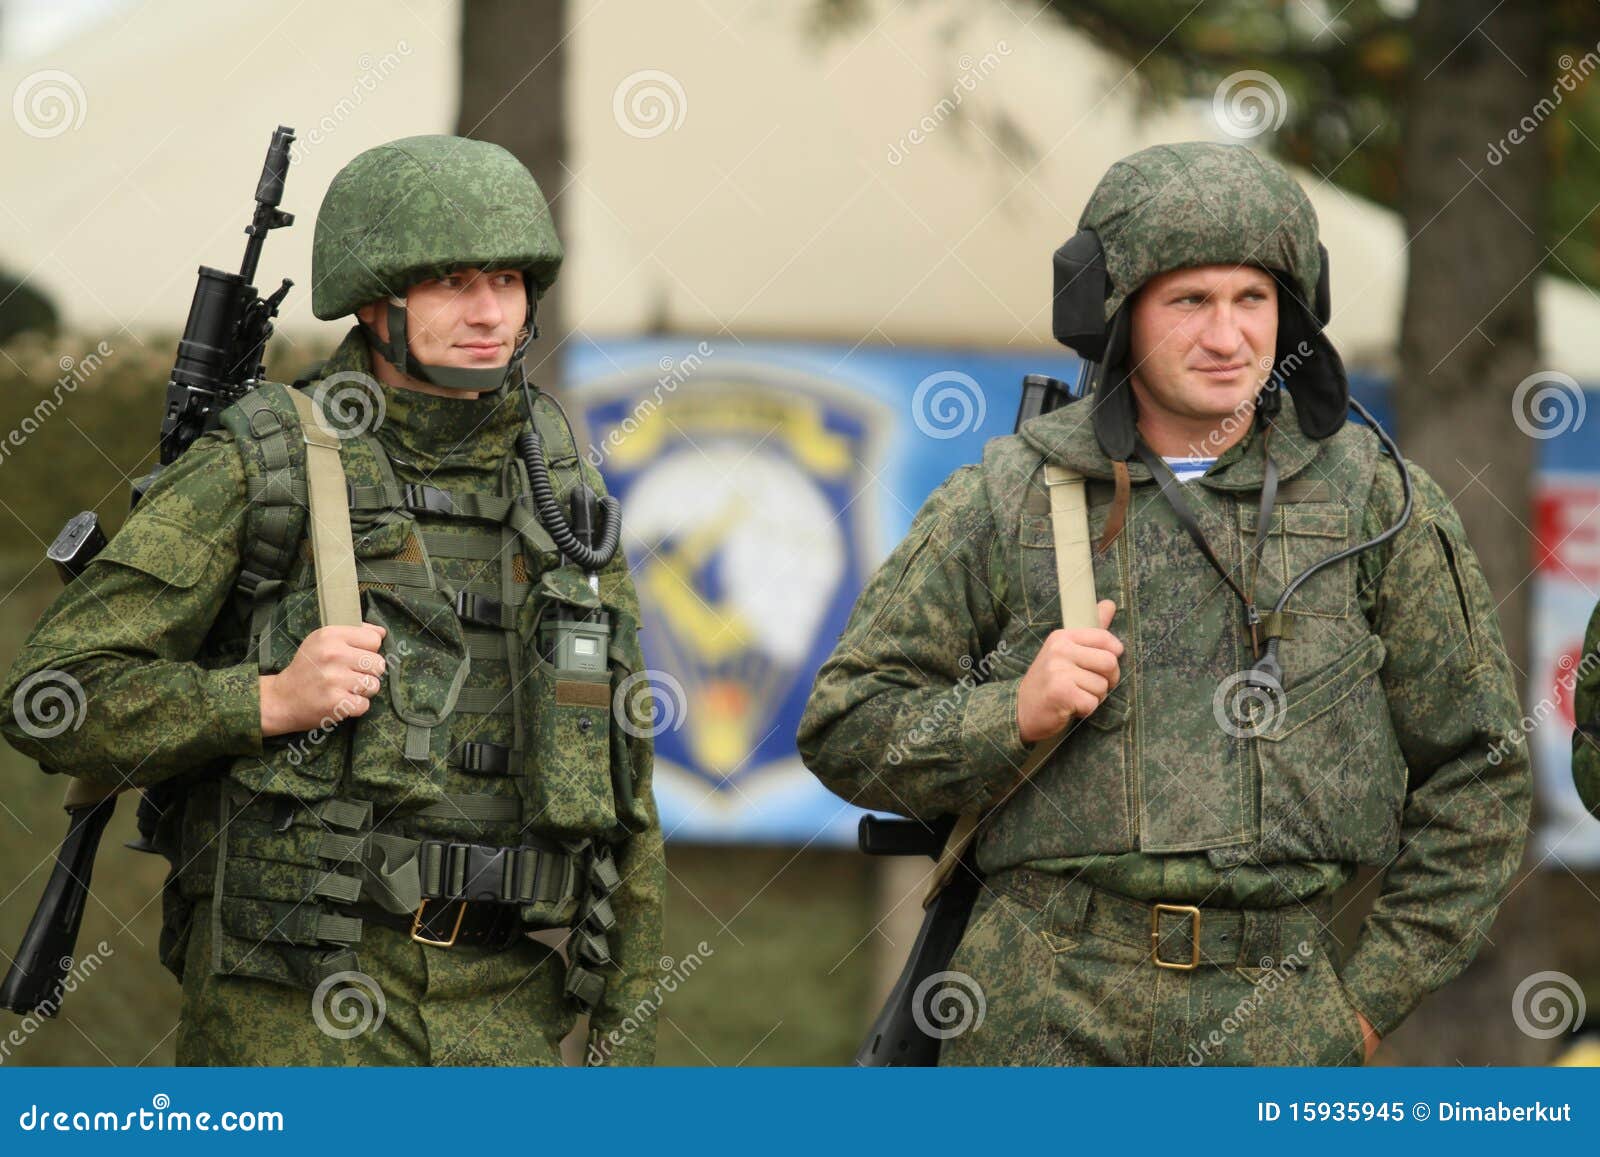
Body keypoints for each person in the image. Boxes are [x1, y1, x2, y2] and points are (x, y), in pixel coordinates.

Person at [798, 141, 1530, 1066]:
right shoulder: (1011, 496)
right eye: (1189, 301)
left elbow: (1480, 775)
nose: (1227, 337)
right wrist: (1010, 713)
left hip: (1277, 1007)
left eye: (1252, 299)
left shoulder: (1378, 505)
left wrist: (1364, 1004)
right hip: (1044, 999)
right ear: (1115, 313)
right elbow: (846, 725)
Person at [1, 135, 664, 1066]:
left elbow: (630, 788)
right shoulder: (267, 460)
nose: (489, 311)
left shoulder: (557, 485)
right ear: (373, 298)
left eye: (509, 280)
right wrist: (266, 699)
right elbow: (51, 694)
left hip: (508, 1019)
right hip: (294, 1020)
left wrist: (626, 1053)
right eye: (451, 282)